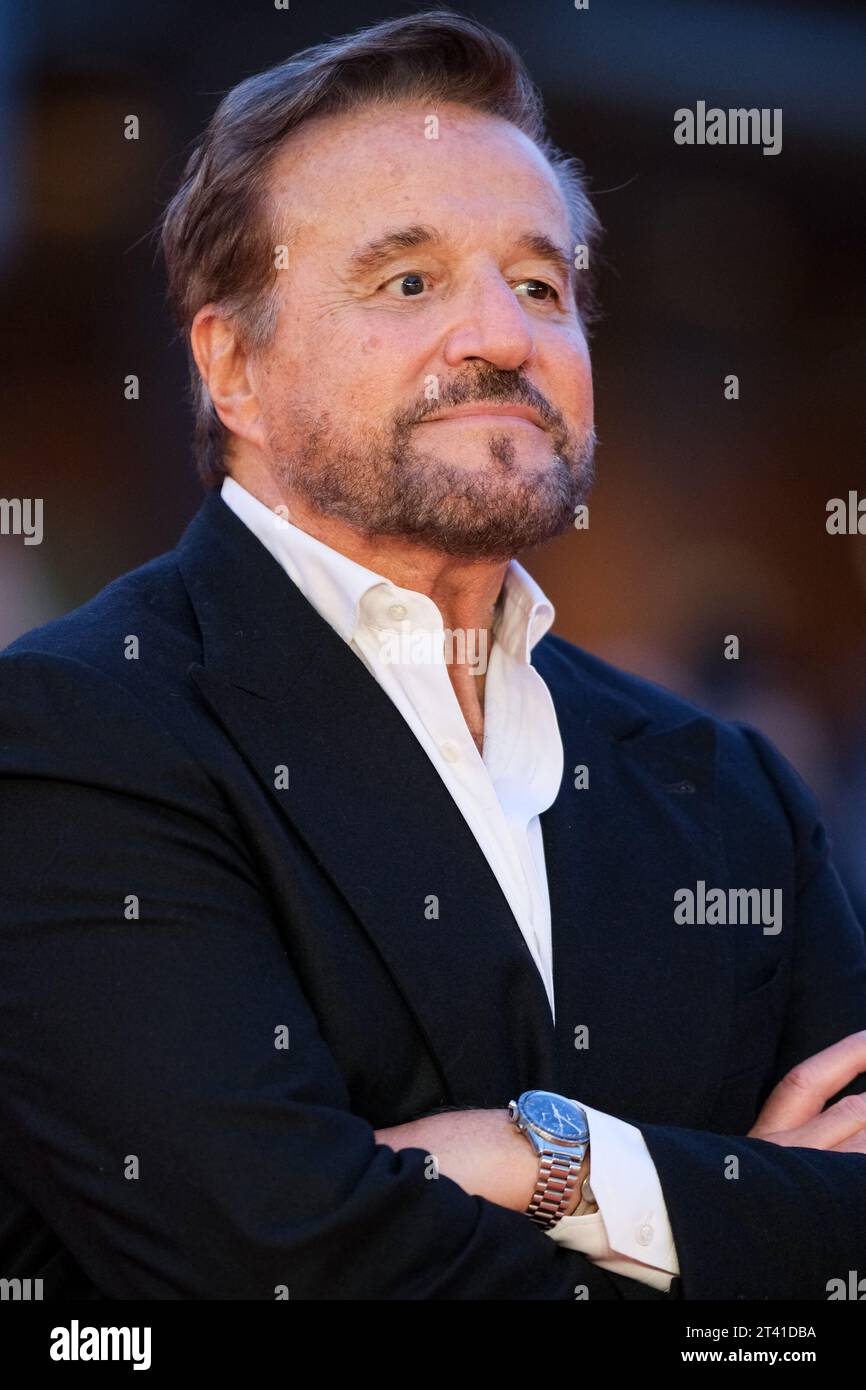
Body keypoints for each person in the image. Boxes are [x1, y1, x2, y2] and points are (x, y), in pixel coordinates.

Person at [1, 10, 865, 1301]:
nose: (502, 338)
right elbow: (277, 1262)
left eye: (538, 284)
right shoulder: (77, 729)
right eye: (408, 281)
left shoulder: (720, 782)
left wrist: (543, 1159)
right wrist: (728, 1228)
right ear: (231, 364)